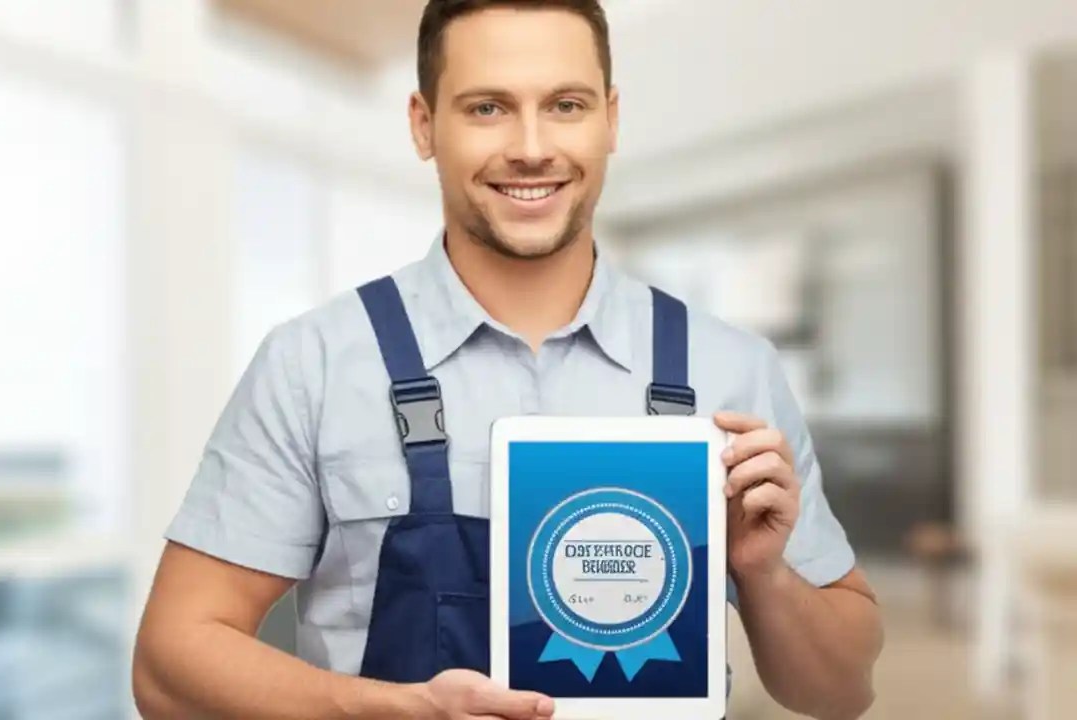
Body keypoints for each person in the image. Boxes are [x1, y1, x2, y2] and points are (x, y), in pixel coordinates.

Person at [131, 1, 884, 718]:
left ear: (610, 120)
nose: (531, 146)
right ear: (424, 125)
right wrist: (390, 711)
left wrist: (762, 571)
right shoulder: (316, 363)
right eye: (487, 107)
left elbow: (841, 692)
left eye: (566, 104)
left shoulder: (732, 368)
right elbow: (169, 665)